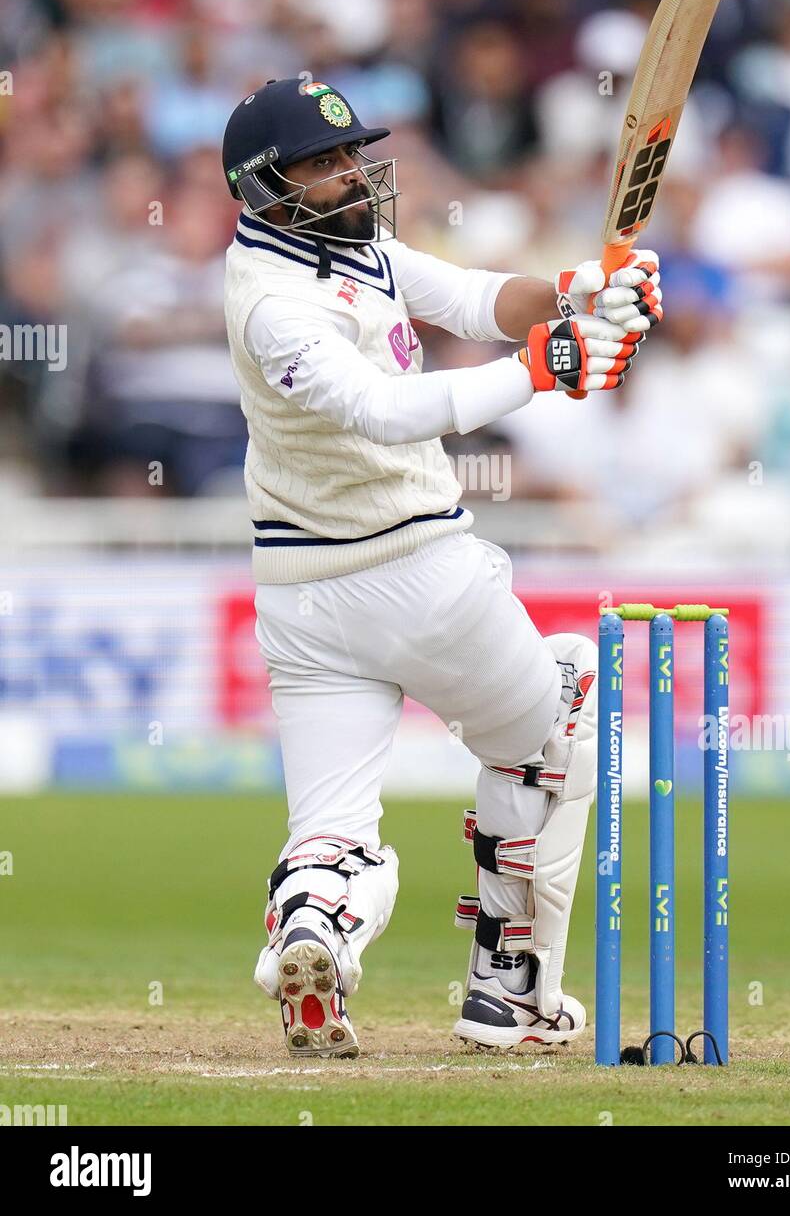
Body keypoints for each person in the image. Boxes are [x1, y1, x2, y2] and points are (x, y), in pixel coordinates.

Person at [220, 77, 663, 1056]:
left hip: (302, 600)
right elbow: (385, 410)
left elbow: (466, 295)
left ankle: (312, 931)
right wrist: (543, 369)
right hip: (417, 570)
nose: (349, 174)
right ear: (262, 185)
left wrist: (576, 290)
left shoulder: (339, 246)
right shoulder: (273, 305)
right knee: (557, 709)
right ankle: (510, 988)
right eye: (323, 163)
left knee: (333, 830)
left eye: (348, 155)